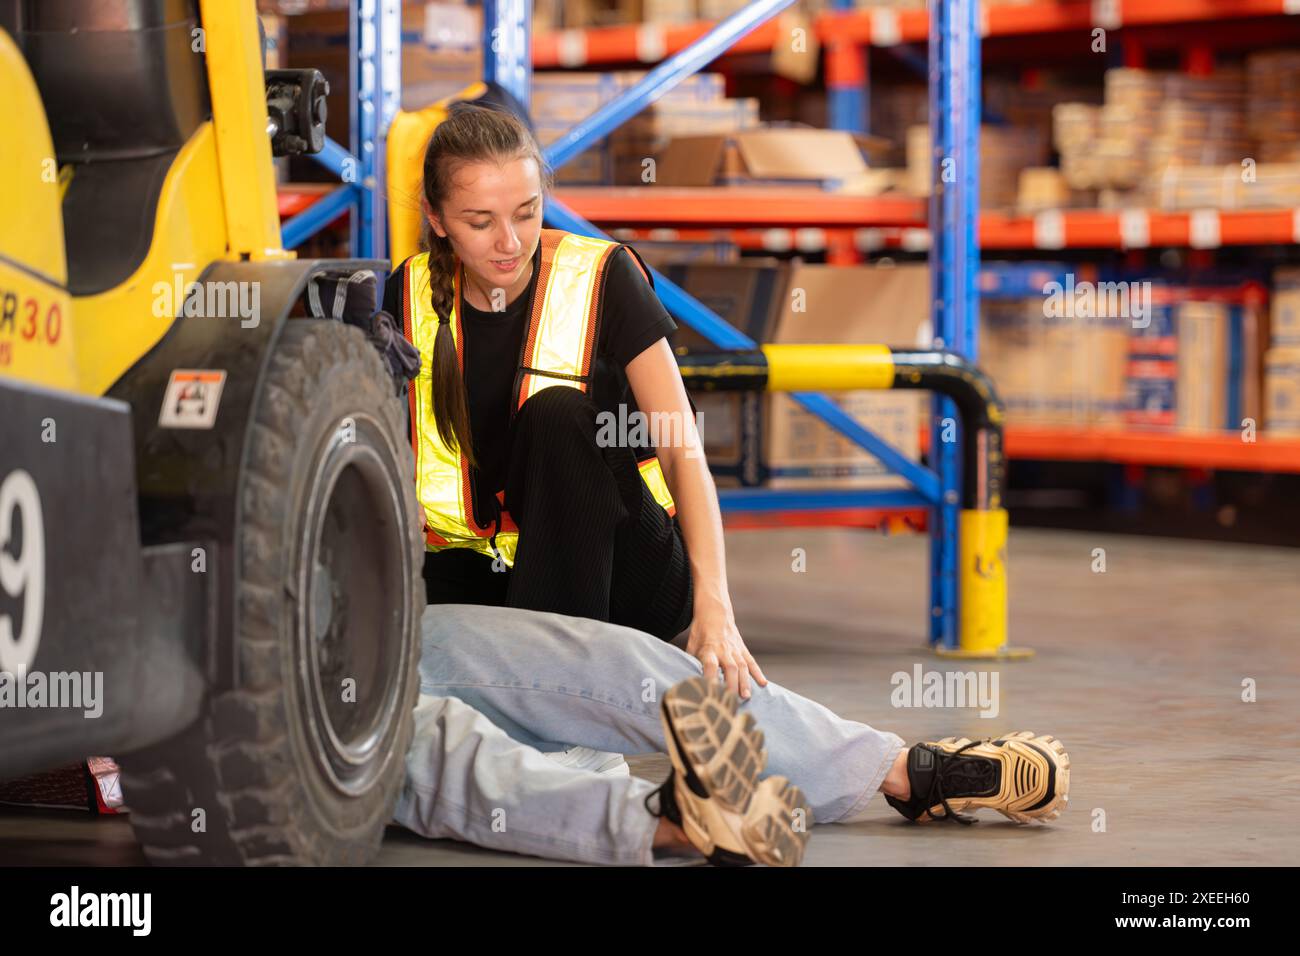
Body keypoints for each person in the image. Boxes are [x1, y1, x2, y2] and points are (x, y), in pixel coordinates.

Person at [381, 100, 769, 702]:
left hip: (623, 575)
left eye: (526, 214)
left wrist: (715, 604)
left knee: (557, 413)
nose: (509, 243)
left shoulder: (602, 276)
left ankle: (565, 703)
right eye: (480, 222)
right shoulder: (404, 296)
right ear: (436, 219)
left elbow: (681, 450)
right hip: (482, 576)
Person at [394, 603, 1072, 866]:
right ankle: (676, 822)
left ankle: (902, 772)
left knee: (607, 661)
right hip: (293, 715)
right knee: (437, 750)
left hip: (365, 626)